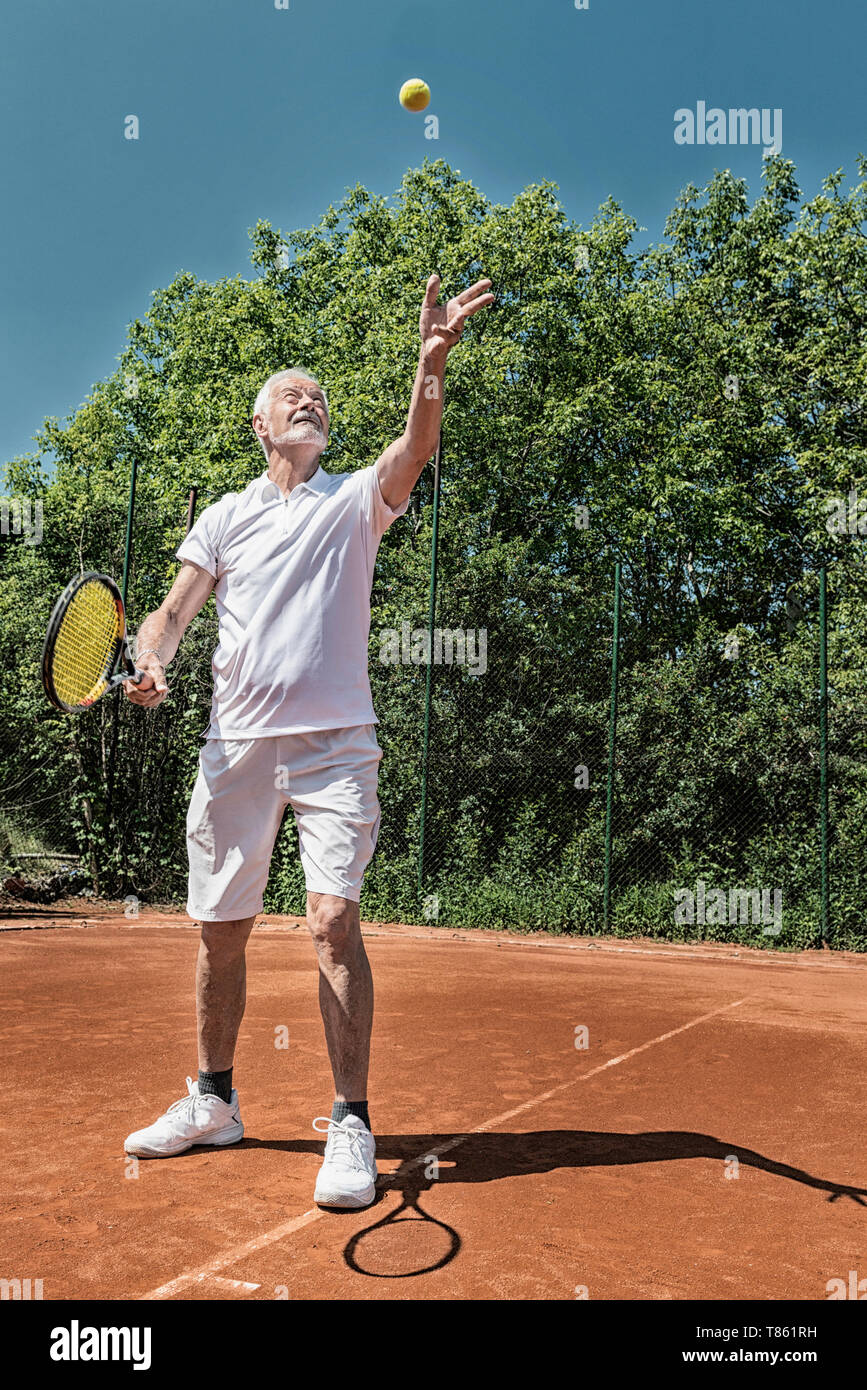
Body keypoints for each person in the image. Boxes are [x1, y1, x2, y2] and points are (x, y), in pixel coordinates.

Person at [122, 273, 494, 1207]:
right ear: (261, 426)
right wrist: (150, 659)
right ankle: (214, 1101)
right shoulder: (224, 515)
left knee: (331, 919)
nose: (311, 402)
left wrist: (431, 364)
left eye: (319, 397)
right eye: (293, 395)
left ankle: (351, 1120)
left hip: (334, 748)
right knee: (220, 931)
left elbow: (416, 447)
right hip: (234, 748)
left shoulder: (352, 501)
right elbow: (171, 613)